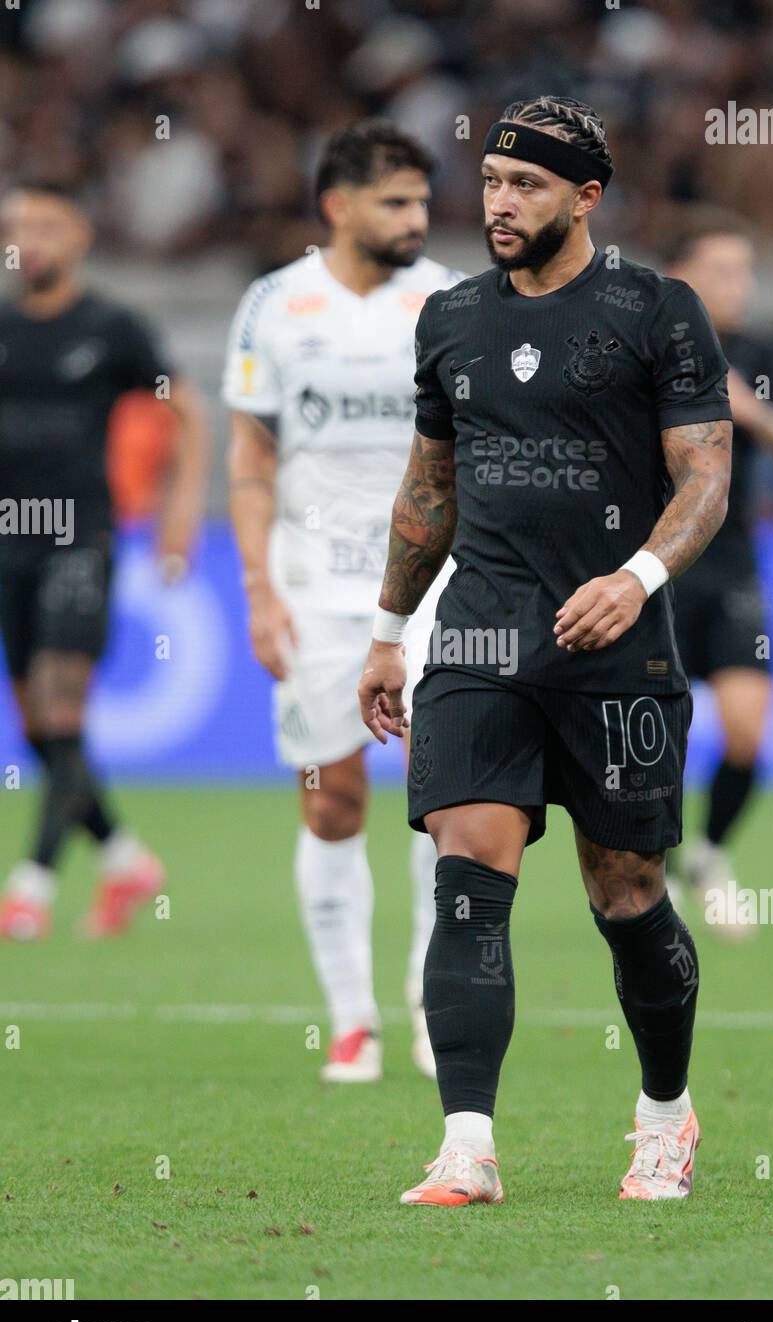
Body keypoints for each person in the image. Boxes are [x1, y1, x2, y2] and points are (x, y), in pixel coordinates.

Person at [359, 96, 732, 1205]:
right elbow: (432, 482)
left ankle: (664, 1113)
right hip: (478, 634)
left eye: (525, 184)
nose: (500, 203)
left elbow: (703, 473)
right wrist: (387, 631)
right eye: (489, 182)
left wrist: (637, 577)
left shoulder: (656, 309)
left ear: (585, 197)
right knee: (467, 878)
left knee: (625, 893)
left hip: (616, 648)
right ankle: (466, 1146)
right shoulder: (451, 318)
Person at [222, 121, 462, 1082]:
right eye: (396, 201)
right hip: (313, 583)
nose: (417, 218)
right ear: (339, 205)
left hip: (437, 579)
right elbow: (250, 455)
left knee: (443, 795)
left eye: (420, 201)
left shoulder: (446, 297)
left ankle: (426, 1003)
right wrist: (257, 588)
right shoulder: (275, 305)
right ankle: (349, 1014)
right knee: (332, 803)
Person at [0, 182, 209, 941]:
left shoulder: (112, 328)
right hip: (9, 543)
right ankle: (125, 860)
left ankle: (31, 884)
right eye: (18, 226)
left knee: (62, 706)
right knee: (37, 729)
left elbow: (186, 411)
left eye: (46, 224)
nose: (30, 239)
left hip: (78, 537)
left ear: (80, 235)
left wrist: (178, 514)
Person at [663, 207, 773, 940]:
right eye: (725, 269)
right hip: (654, 567)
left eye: (747, 269)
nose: (742, 284)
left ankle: (709, 855)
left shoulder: (760, 350)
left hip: (731, 566)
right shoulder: (645, 347)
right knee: (651, 733)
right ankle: (653, 862)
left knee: (749, 729)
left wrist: (752, 414)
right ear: (680, 276)